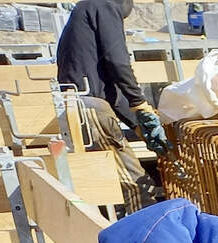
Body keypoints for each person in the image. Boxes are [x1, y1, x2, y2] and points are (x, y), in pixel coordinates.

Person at [56, 0, 169, 153]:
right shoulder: (105, 6)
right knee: (130, 174)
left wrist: (136, 123)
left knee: (127, 169)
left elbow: (109, 85)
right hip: (90, 107)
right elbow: (118, 62)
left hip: (82, 103)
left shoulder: (87, 10)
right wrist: (139, 103)